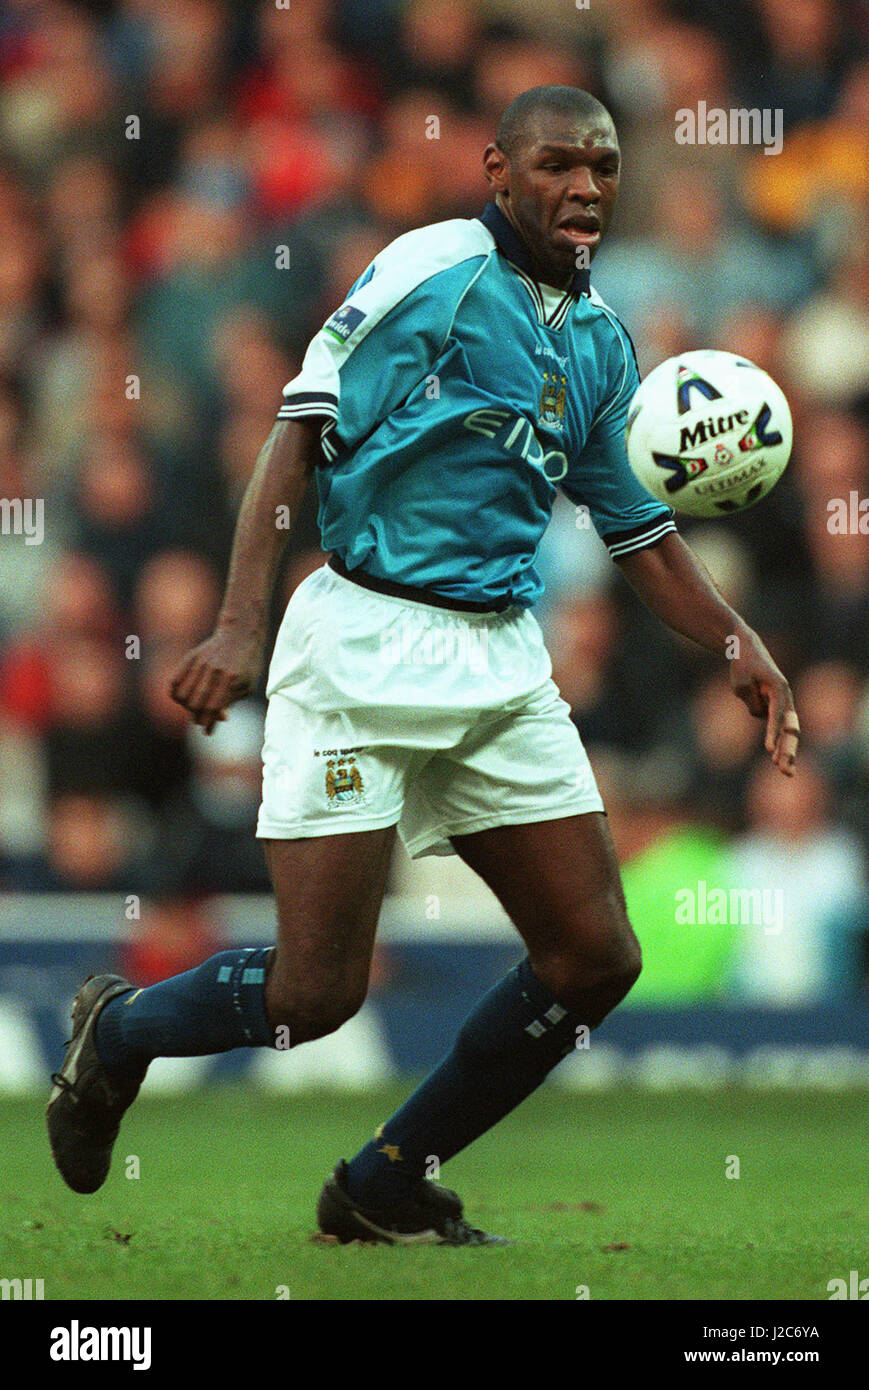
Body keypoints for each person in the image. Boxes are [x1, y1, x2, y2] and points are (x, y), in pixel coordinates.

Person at [47, 86, 800, 1246]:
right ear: (497, 171)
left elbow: (635, 532)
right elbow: (296, 431)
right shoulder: (429, 273)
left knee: (594, 955)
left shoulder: (598, 342)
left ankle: (389, 1175)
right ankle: (123, 1032)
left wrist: (735, 643)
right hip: (360, 642)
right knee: (314, 997)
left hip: (498, 657)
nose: (586, 186)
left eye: (601, 166)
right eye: (557, 164)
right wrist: (241, 622)